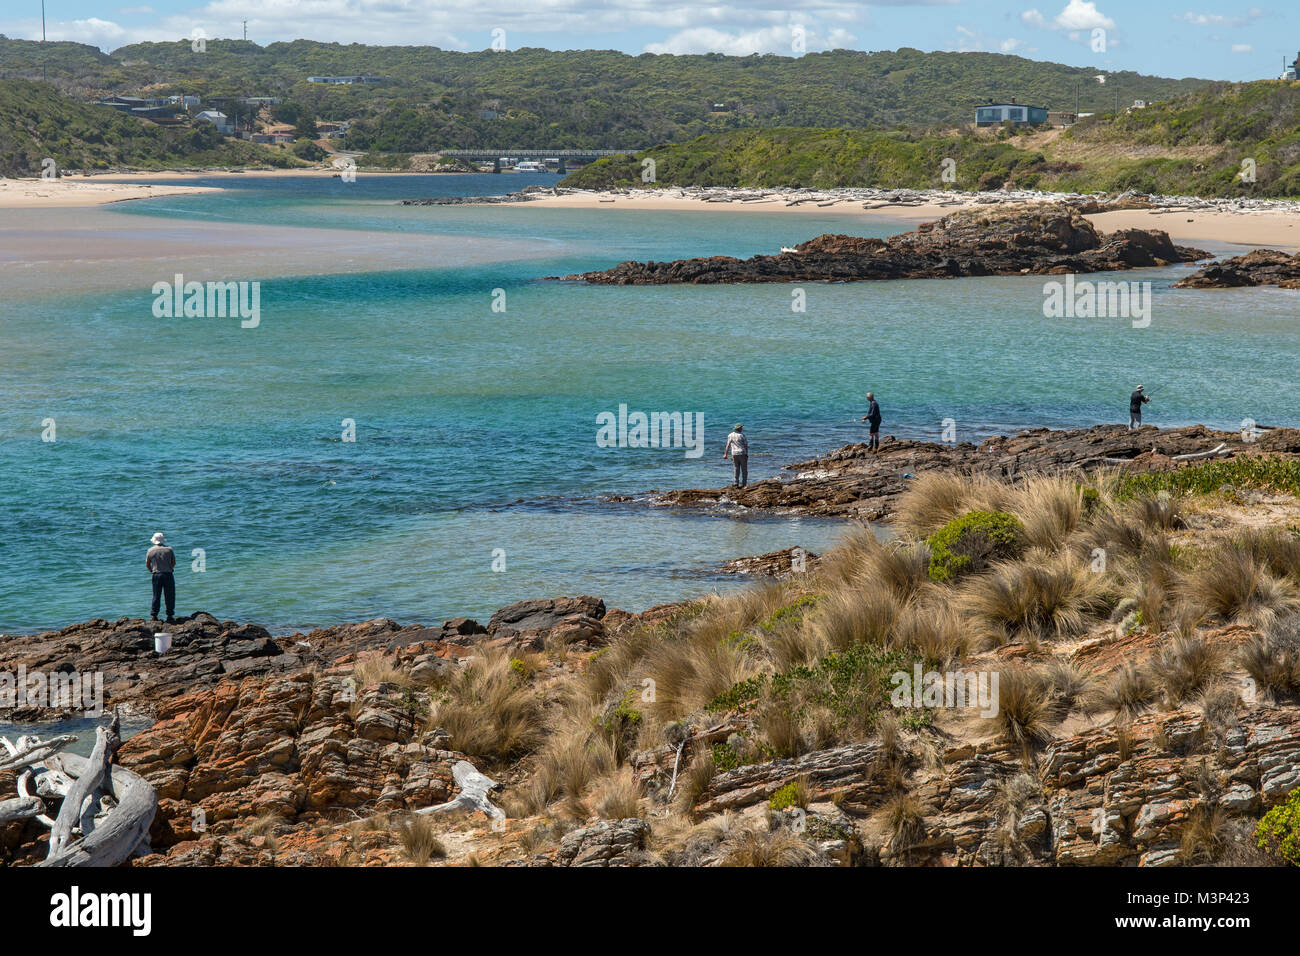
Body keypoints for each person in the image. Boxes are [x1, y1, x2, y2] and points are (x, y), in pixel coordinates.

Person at [146, 531, 176, 623]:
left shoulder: (150, 550)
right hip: (168, 574)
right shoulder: (169, 549)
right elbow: (173, 562)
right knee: (169, 595)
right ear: (162, 540)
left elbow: (147, 564)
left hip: (156, 574)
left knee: (156, 595)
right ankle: (170, 615)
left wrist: (152, 570)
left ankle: (154, 615)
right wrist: (170, 568)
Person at [723, 424, 748, 488]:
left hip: (734, 453)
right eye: (741, 427)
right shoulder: (742, 435)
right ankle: (744, 483)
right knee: (744, 469)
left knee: (736, 468)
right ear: (739, 428)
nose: (742, 429)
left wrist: (725, 454)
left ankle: (736, 482)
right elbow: (746, 445)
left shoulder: (730, 435)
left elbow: (728, 445)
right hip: (742, 453)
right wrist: (747, 453)